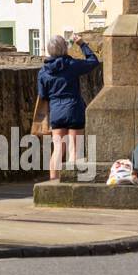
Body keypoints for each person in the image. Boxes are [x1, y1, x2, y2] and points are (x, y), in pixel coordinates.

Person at [36, 33, 100, 181]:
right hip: (74, 109)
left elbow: (43, 95)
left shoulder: (43, 72)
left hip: (56, 111)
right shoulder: (71, 65)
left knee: (58, 148)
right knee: (74, 148)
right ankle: (71, 181)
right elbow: (93, 61)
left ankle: (53, 180)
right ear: (64, 48)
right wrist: (82, 44)